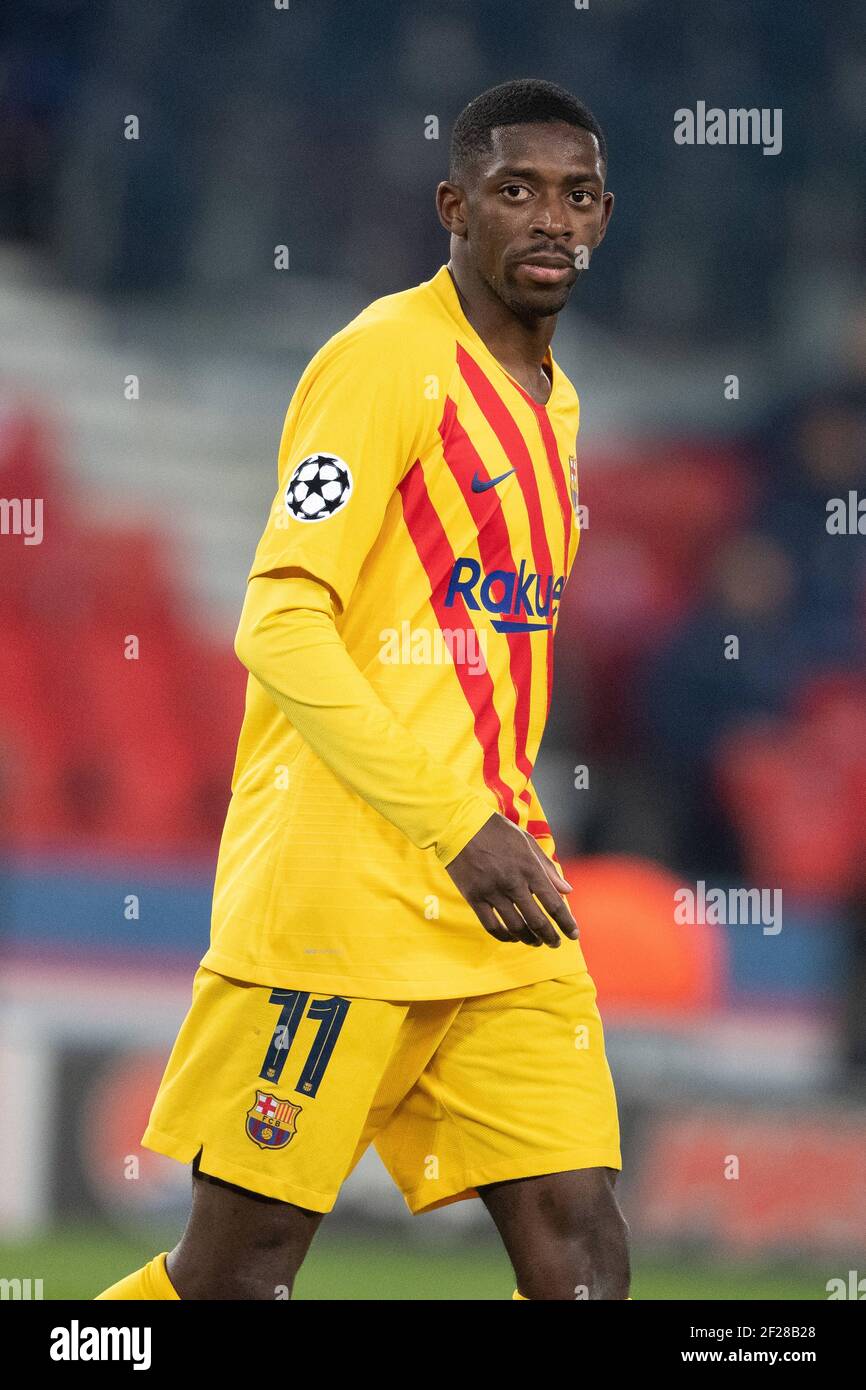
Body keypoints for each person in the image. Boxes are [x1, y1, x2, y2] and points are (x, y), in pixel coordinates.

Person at [96, 77, 628, 1302]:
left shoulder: (556, 404)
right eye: (514, 191)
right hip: (345, 894)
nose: (549, 218)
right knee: (238, 1274)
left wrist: (486, 832)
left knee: (583, 1254)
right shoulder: (383, 362)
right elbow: (279, 625)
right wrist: (455, 829)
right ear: (453, 206)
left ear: (604, 218)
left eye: (576, 194)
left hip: (501, 908)